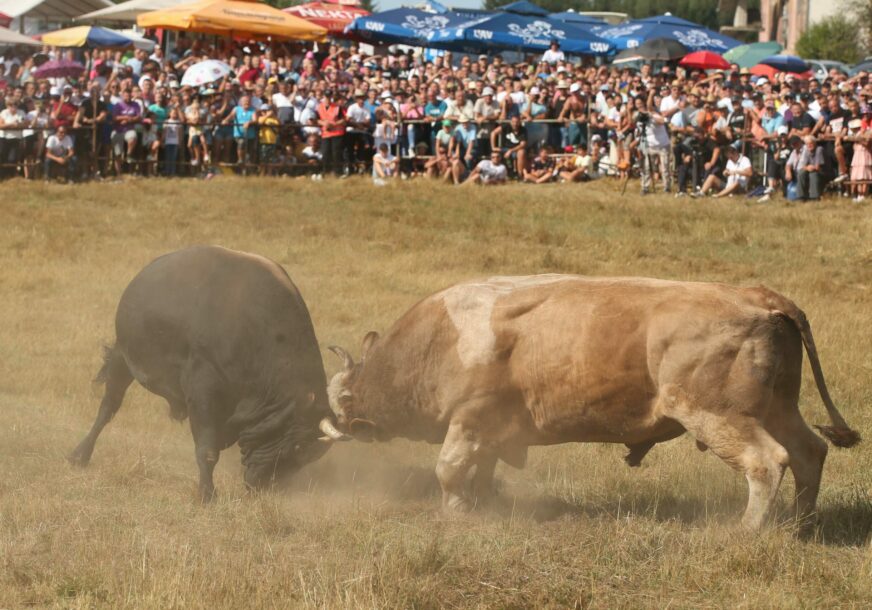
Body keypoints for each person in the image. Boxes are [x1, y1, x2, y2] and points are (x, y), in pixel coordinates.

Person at [316, 88, 346, 176]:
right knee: (325, 153)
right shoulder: (319, 107)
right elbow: (316, 119)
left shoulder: (337, 107)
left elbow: (343, 120)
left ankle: (338, 172)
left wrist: (334, 124)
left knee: (336, 154)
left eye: (329, 96)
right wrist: (324, 123)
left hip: (337, 133)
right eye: (326, 96)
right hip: (325, 133)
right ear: (323, 96)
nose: (328, 98)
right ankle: (326, 172)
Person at [795, 134, 825, 201]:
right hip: (811, 169)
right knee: (801, 173)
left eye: (811, 143)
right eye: (807, 144)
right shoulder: (807, 150)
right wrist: (807, 167)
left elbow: (817, 167)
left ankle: (814, 197)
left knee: (813, 174)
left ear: (815, 143)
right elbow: (803, 166)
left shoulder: (819, 149)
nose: (809, 145)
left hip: (822, 172)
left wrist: (809, 167)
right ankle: (801, 196)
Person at [256, 104, 279, 176]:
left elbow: (278, 127)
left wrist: (273, 116)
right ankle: (262, 173)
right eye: (263, 111)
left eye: (266, 111)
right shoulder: (261, 118)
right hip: (263, 141)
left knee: (271, 159)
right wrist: (267, 116)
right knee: (263, 158)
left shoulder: (275, 119)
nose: (264, 112)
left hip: (272, 141)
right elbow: (260, 123)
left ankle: (269, 174)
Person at [161, 106, 182, 177]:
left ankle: (172, 172)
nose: (174, 114)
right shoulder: (166, 121)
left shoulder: (178, 122)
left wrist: (179, 142)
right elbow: (164, 132)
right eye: (173, 113)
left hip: (175, 142)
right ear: (169, 113)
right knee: (167, 157)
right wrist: (162, 141)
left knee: (173, 158)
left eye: (175, 113)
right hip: (167, 142)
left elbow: (179, 133)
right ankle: (167, 171)